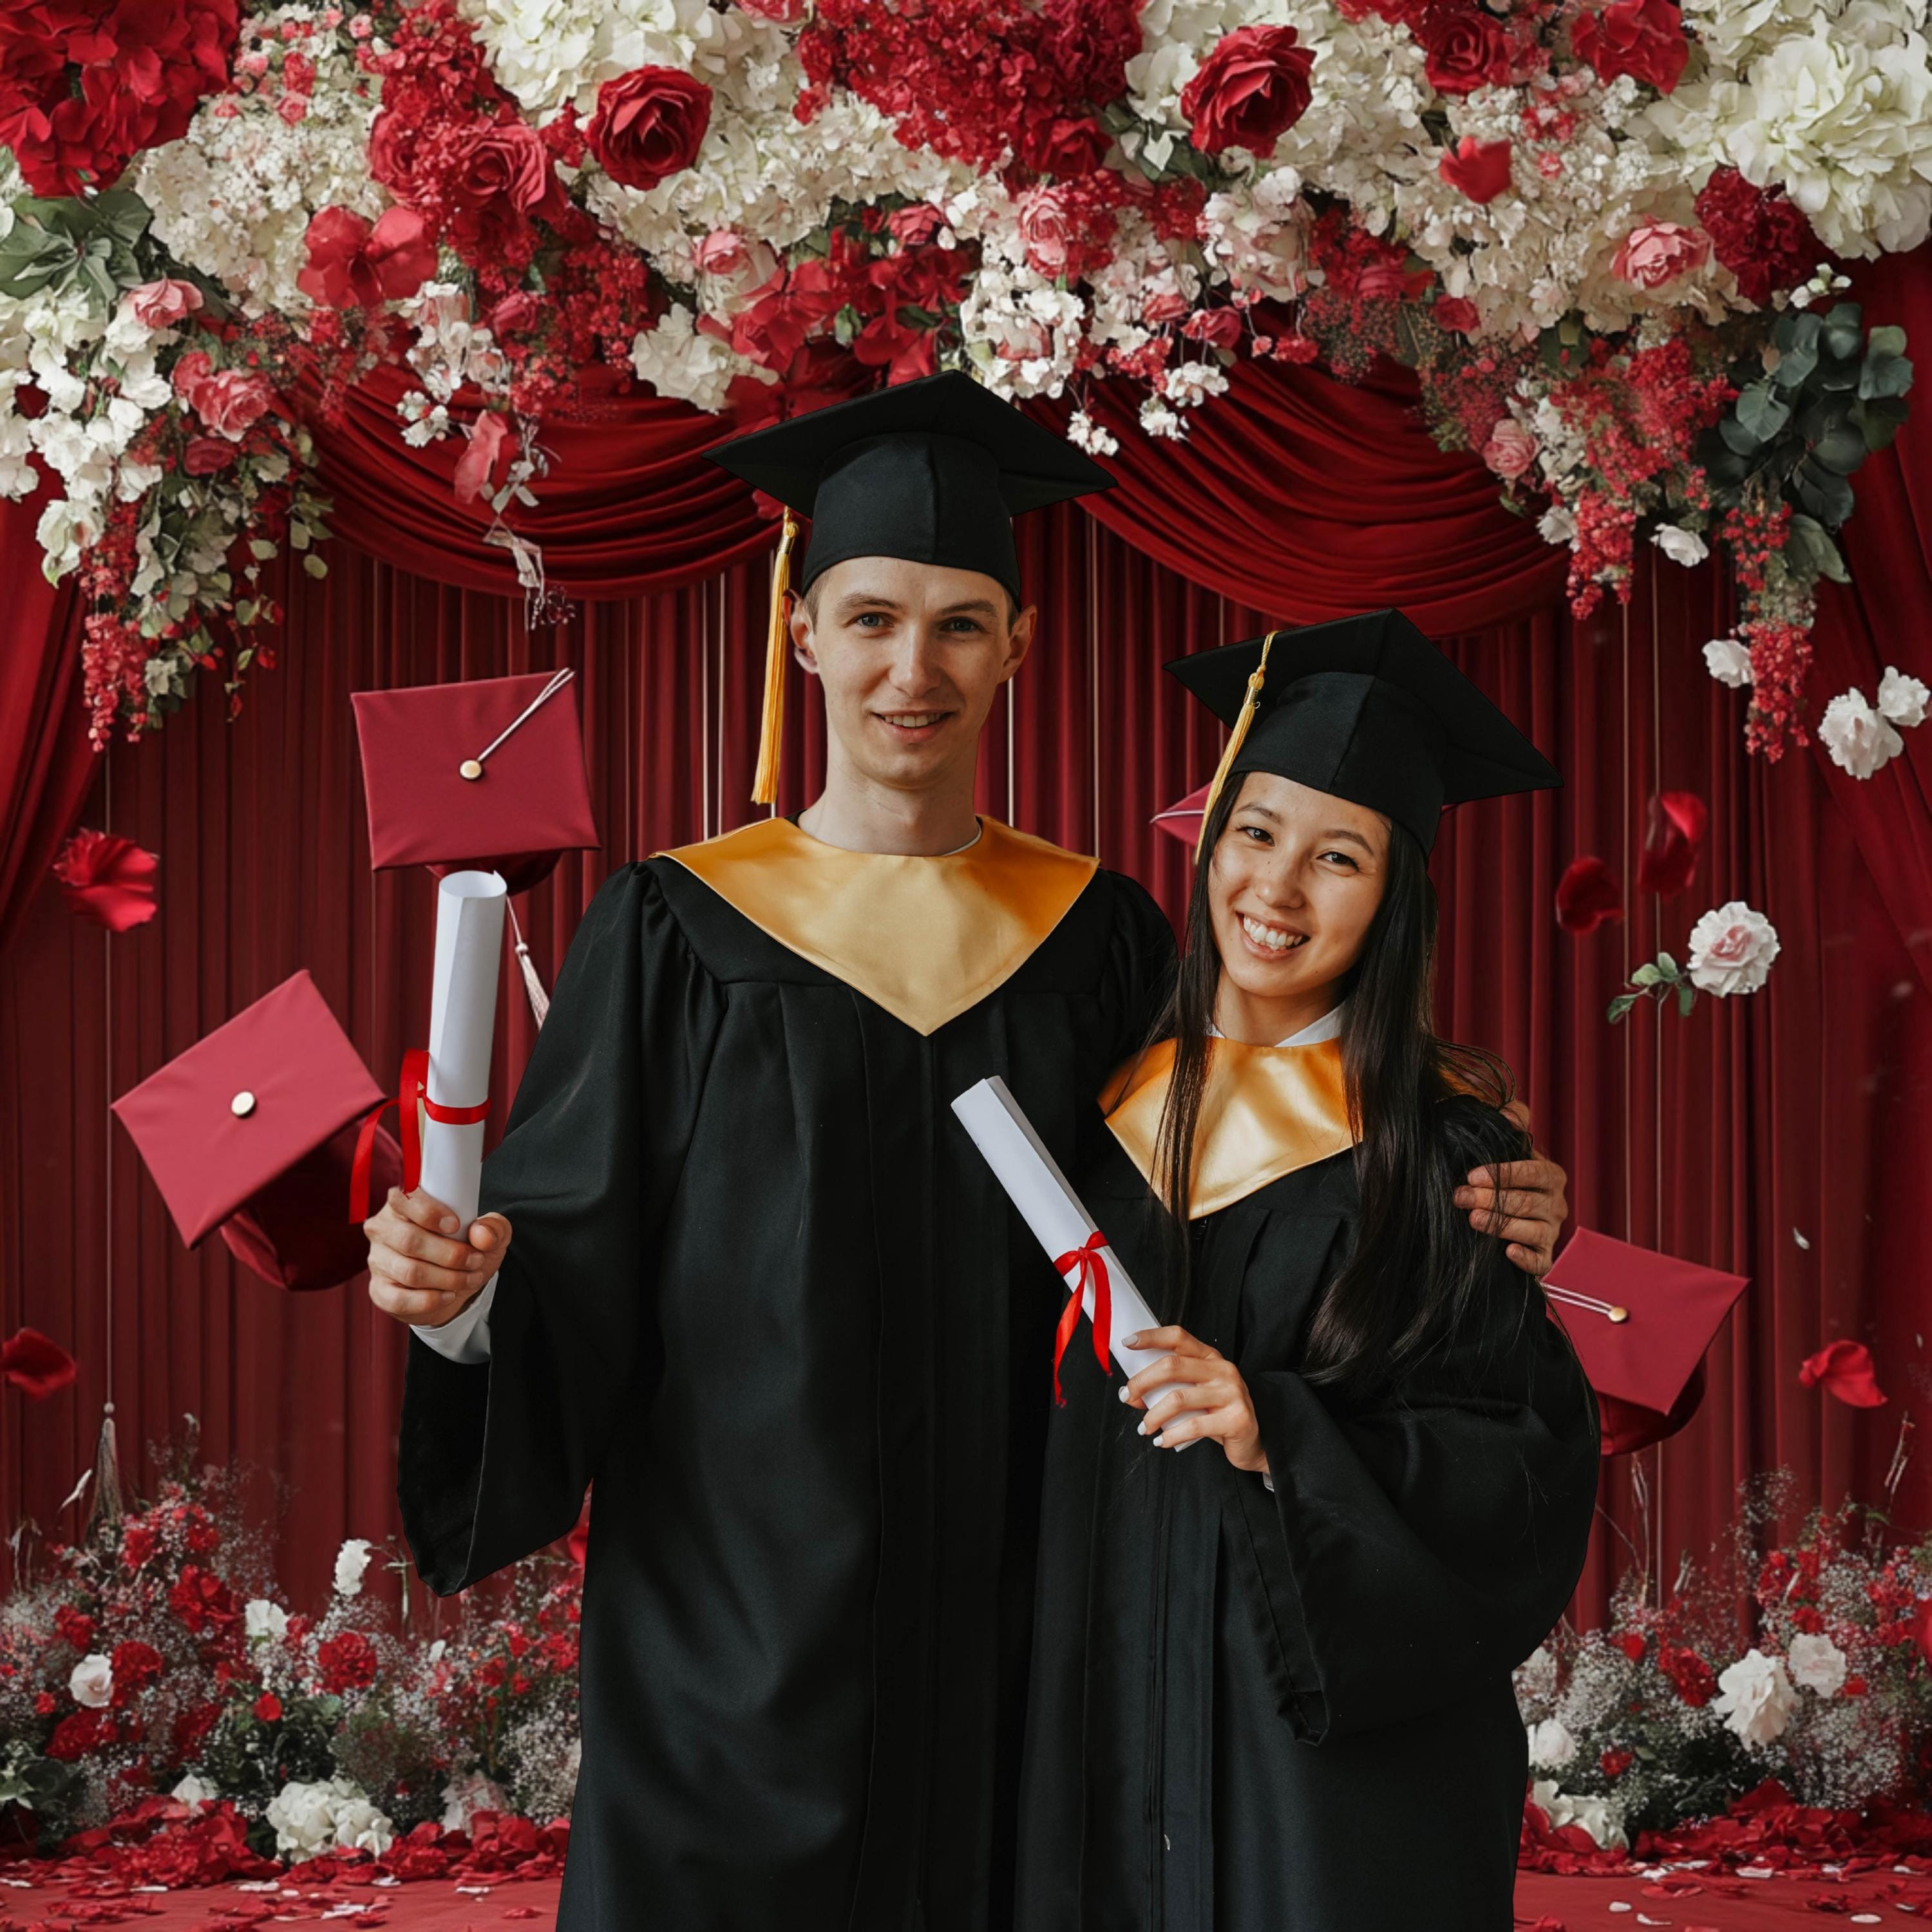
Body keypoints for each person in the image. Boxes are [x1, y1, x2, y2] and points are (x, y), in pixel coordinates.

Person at [361, 377, 1574, 1932]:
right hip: (741, 1650)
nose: (908, 670)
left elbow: (1264, 1170)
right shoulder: (674, 931)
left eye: (957, 624)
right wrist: (459, 1297)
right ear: (802, 632)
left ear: (1021, 646)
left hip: (1033, 1657)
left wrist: (1481, 1168)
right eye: (870, 619)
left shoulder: (1098, 938)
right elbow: (566, 1262)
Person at [1015, 612, 1602, 1932]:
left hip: (1327, 1793)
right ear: (1211, 835)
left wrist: (1280, 1429)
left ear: (1393, 897)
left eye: (1340, 857)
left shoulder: (1440, 1160)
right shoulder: (1100, 1109)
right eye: (1257, 832)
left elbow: (1519, 1467)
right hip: (1104, 1729)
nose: (1277, 890)